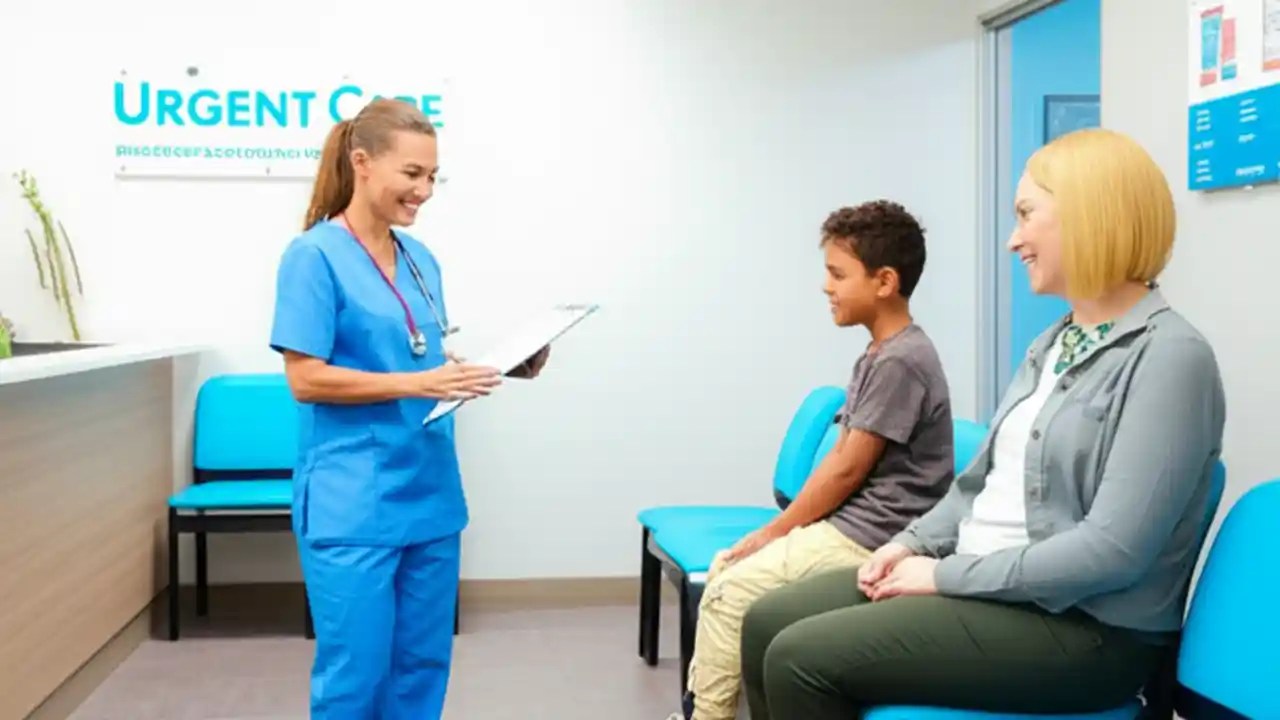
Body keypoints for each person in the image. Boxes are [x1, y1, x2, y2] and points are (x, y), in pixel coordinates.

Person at [739, 128, 1227, 720]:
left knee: (798, 657)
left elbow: (1112, 552)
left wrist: (944, 576)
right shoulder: (1054, 343)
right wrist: (907, 544)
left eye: (1026, 215)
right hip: (989, 588)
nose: (1012, 240)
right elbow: (976, 486)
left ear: (1091, 217)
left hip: (1085, 632)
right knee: (765, 620)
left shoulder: (1172, 357)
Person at [269, 97, 551, 719]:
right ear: (363, 163)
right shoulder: (313, 257)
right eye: (412, 174)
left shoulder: (422, 261)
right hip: (352, 501)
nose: (424, 191)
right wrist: (416, 384)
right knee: (357, 673)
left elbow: (421, 351)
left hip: (428, 494)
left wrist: (502, 363)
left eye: (432, 176)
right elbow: (306, 378)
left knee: (421, 668)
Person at [665, 200, 956, 720]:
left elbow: (847, 469)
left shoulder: (902, 361)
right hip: (855, 525)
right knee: (730, 572)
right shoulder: (880, 353)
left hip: (875, 537)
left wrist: (772, 533)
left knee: (728, 592)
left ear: (884, 281)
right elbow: (844, 455)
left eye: (837, 274)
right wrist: (776, 534)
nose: (826, 286)